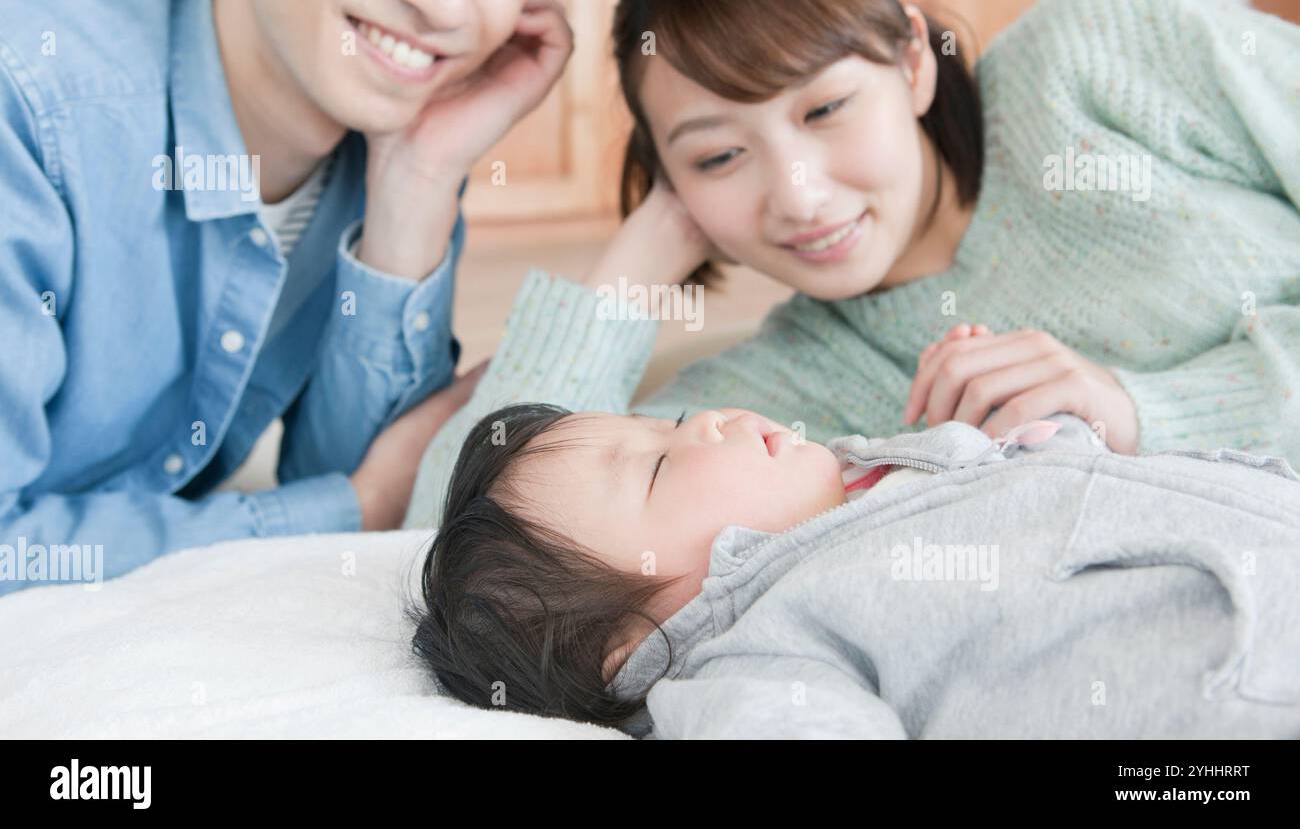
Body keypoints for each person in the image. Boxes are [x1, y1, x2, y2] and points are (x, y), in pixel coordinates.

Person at [405, 0, 1300, 525]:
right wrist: (636, 264)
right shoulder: (787, 394)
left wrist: (1147, 414)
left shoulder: (1093, 58)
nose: (799, 194)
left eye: (826, 109)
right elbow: (473, 528)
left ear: (911, 59)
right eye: (720, 155)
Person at [0, 0, 618, 595]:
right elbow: (360, 502)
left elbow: (365, 501)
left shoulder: (388, 127)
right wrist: (351, 511)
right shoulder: (29, 96)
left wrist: (418, 179)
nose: (446, 3)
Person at [409, 332, 1300, 737]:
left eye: (667, 420)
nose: (705, 421)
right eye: (655, 468)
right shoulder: (760, 650)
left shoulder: (862, 480)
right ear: (630, 649)